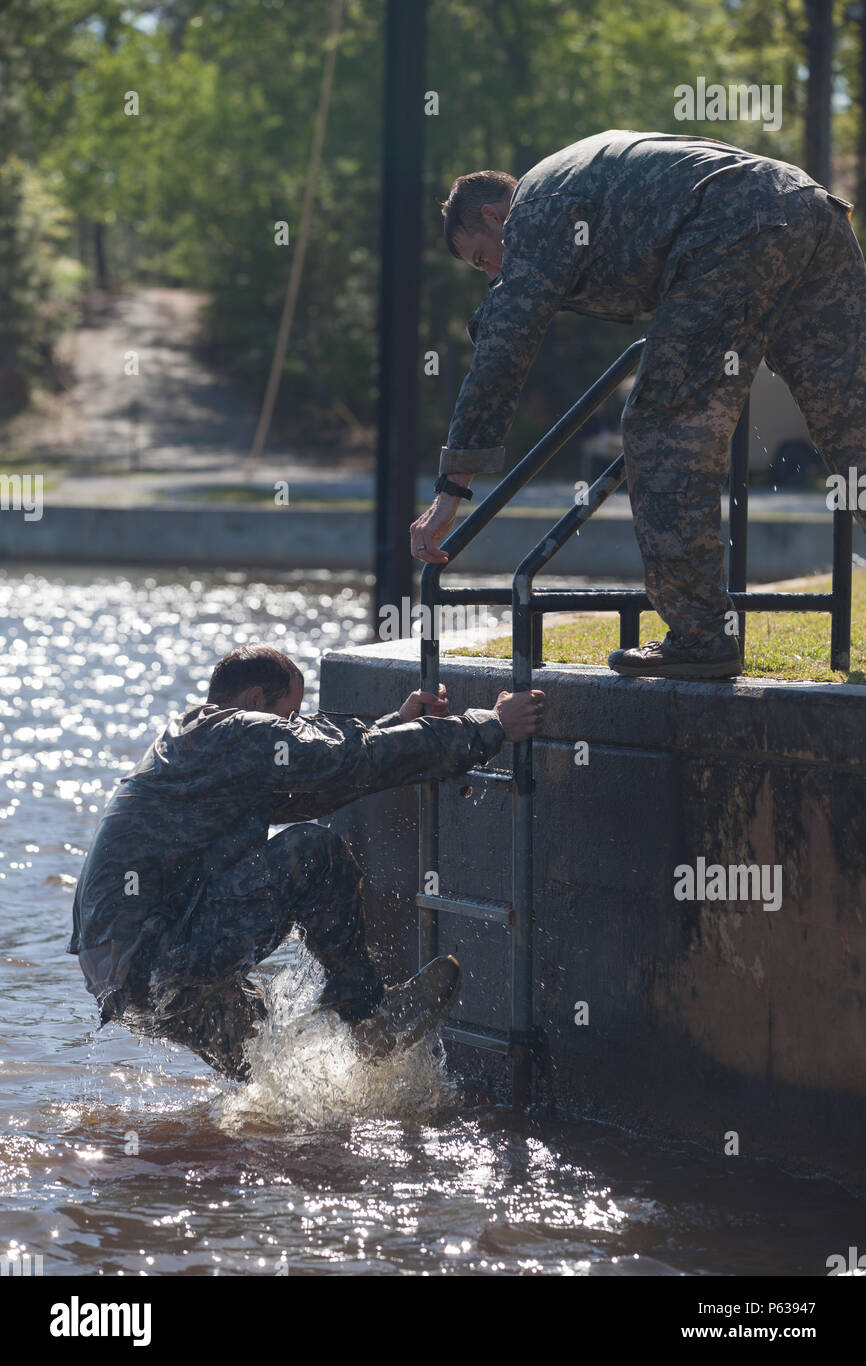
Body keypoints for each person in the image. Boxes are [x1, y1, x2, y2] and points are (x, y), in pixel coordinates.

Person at [410, 129, 865, 679]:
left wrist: (452, 488)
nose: (493, 275)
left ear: (493, 215)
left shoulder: (534, 209)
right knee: (852, 418)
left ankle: (702, 637)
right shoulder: (574, 184)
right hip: (809, 205)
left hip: (737, 225)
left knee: (663, 426)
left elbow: (505, 350)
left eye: (483, 259)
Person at [68, 645, 545, 1080]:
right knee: (313, 853)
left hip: (125, 978)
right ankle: (363, 1016)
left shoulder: (195, 743)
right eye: (291, 716)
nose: (293, 726)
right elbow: (343, 759)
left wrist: (396, 724)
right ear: (256, 699)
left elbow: (310, 787)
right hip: (157, 954)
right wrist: (489, 726)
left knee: (269, 1071)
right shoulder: (238, 730)